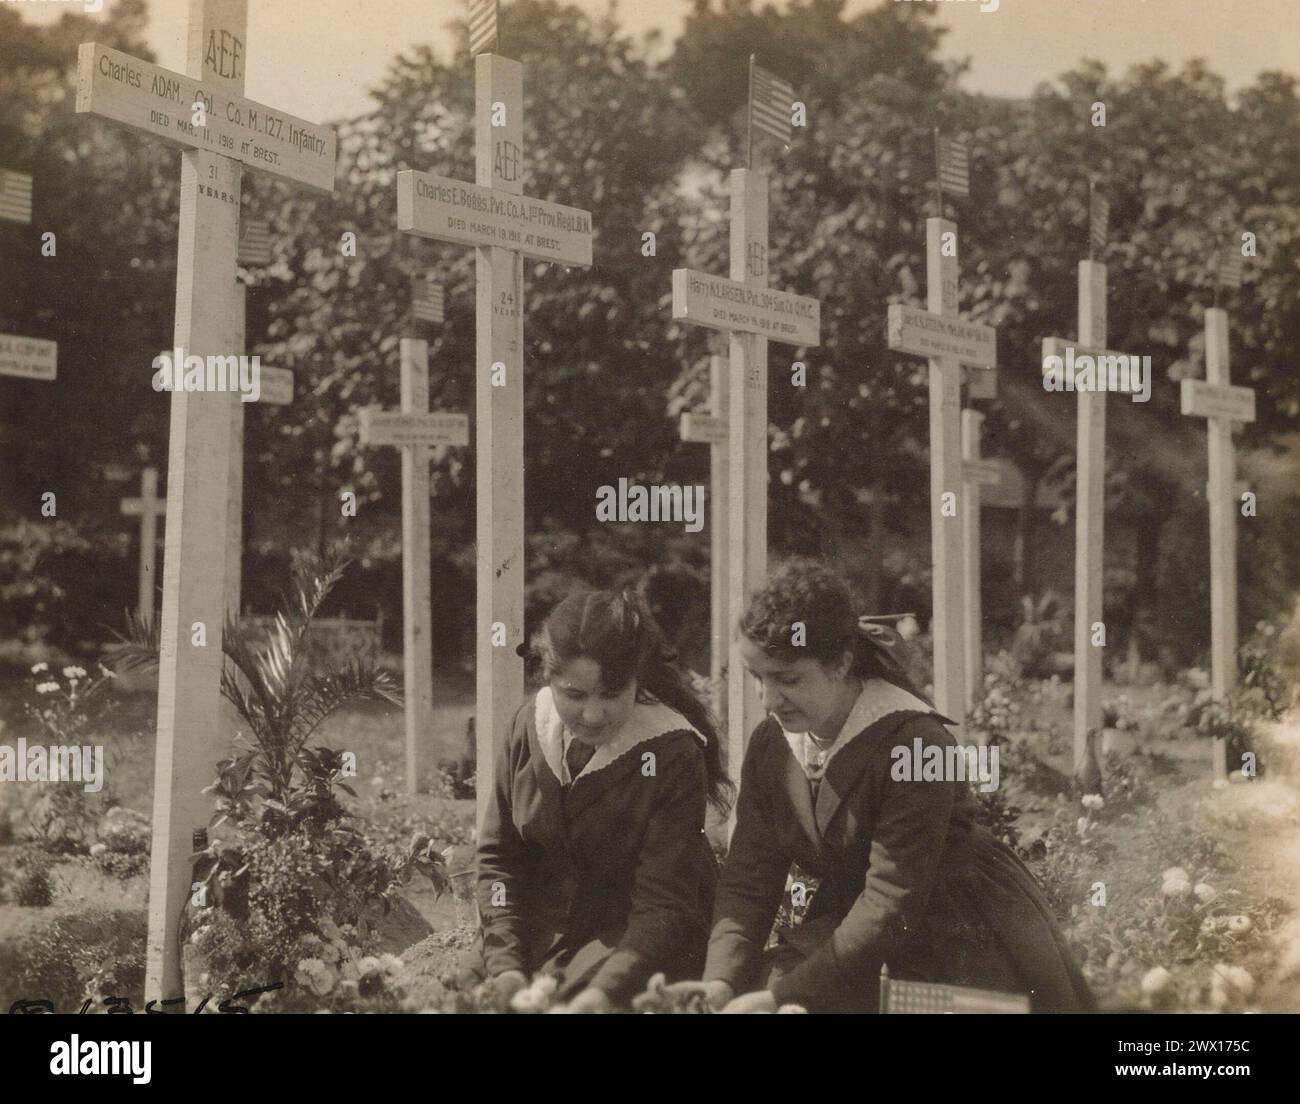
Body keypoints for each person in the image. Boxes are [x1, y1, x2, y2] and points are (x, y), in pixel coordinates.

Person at [687, 559, 1095, 1014]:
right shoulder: (772, 743)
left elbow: (890, 902)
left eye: (788, 679)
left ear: (841, 663)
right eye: (758, 678)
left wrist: (784, 994)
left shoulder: (917, 742)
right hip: (855, 921)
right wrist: (720, 980)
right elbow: (749, 877)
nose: (768, 699)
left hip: (954, 929)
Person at [467, 587, 728, 1012]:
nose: (592, 715)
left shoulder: (671, 752)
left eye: (612, 694)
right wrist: (505, 963)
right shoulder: (526, 725)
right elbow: (499, 859)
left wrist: (603, 991)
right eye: (574, 694)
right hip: (543, 929)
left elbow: (663, 903)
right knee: (467, 996)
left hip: (635, 941)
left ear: (636, 680)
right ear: (548, 677)